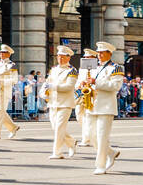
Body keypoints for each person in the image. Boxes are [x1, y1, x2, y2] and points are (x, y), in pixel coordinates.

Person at [80, 41, 125, 175]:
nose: (99, 55)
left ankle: (100, 165)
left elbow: (115, 86)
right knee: (91, 135)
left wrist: (96, 82)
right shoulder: (93, 67)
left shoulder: (116, 68)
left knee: (101, 136)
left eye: (102, 53)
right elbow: (87, 80)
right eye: (98, 52)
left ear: (109, 54)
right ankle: (110, 152)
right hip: (92, 104)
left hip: (106, 106)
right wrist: (84, 84)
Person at [40, 46, 78, 159]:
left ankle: (57, 152)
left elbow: (69, 86)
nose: (60, 58)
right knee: (55, 127)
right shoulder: (54, 69)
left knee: (59, 128)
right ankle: (71, 142)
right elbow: (47, 83)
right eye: (58, 56)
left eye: (62, 56)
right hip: (53, 102)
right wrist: (43, 93)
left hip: (65, 103)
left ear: (68, 57)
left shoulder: (72, 70)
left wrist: (53, 87)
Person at [0, 43, 20, 139]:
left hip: (4, 90)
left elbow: (14, 80)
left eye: (4, 52)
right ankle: (13, 127)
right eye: (0, 52)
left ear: (8, 54)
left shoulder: (12, 65)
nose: (1, 54)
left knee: (1, 110)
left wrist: (2, 81)